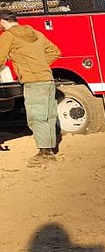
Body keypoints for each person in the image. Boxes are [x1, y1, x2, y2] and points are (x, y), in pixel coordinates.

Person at [0, 9, 61, 164]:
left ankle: (45, 154)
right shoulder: (36, 33)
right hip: (47, 79)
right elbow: (55, 51)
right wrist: (39, 64)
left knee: (36, 117)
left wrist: (29, 68)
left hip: (33, 81)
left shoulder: (8, 36)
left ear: (2, 22)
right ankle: (50, 148)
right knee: (49, 115)